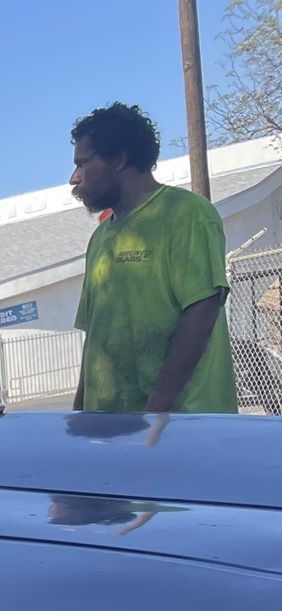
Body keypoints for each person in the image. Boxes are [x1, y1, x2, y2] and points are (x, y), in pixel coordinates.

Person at [69, 102, 235, 415]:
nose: (75, 178)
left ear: (118, 158)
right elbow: (95, 340)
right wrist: (80, 412)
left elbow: (202, 309)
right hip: (111, 426)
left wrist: (158, 408)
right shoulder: (100, 238)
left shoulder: (187, 213)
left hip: (181, 425)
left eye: (83, 163)